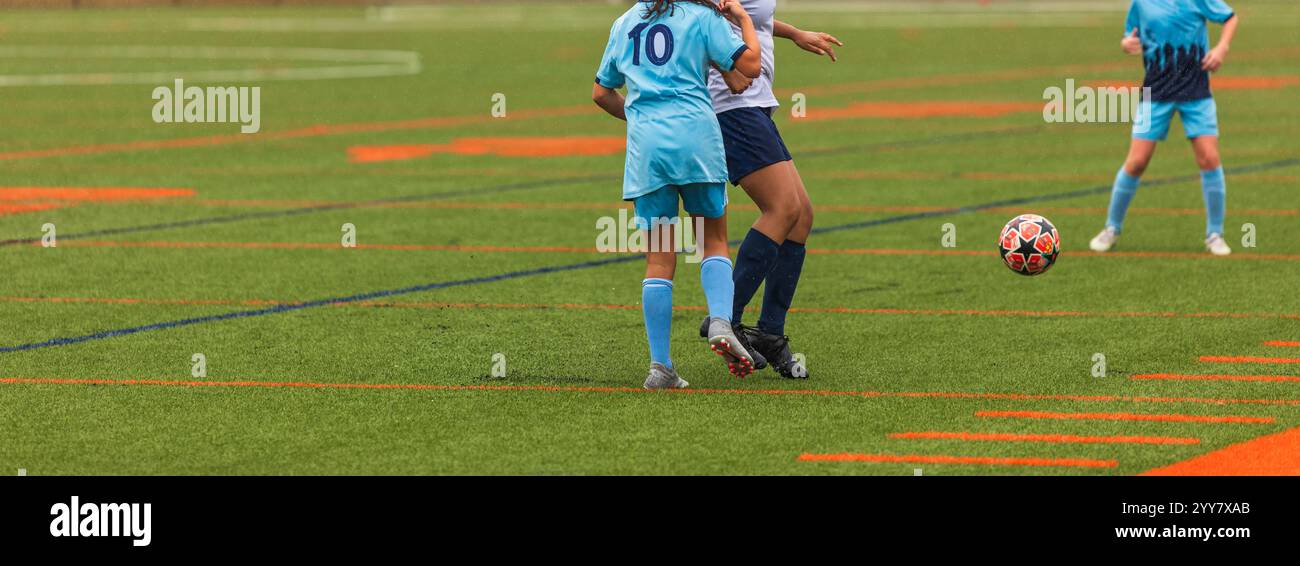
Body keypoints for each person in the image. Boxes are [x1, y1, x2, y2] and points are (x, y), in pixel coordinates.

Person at [592, 0, 763, 389]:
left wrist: (639, 114)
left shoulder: (623, 23)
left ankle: (660, 366)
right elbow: (749, 67)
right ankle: (721, 320)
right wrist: (742, 18)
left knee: (659, 258)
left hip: (648, 151)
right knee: (713, 239)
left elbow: (602, 93)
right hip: (696, 142)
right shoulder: (702, 18)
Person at [699, 0, 843, 379]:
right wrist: (725, 69)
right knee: (781, 209)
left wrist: (794, 33)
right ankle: (724, 318)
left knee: (801, 216)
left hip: (755, 103)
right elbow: (698, 20)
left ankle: (769, 333)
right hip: (732, 106)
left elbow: (749, 16)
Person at [1089, 0, 1239, 256]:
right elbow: (1129, 35)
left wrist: (1221, 48)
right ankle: (1111, 228)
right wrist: (1127, 44)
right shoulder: (1141, 3)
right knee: (1136, 161)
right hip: (1155, 93)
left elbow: (1230, 18)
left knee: (1210, 158)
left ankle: (1215, 233)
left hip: (1196, 92)